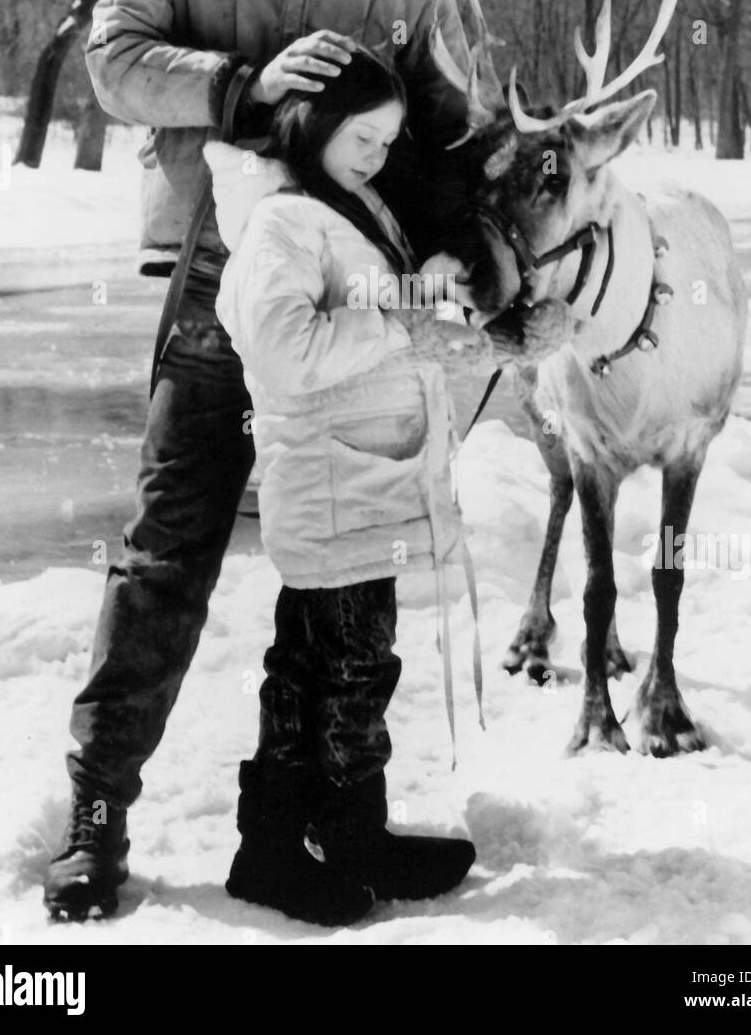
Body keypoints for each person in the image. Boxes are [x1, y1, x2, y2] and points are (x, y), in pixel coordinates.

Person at [44, 0, 484, 921]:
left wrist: (477, 245)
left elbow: (438, 145)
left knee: (346, 561)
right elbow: (116, 59)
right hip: (212, 281)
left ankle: (323, 820)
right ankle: (96, 817)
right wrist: (240, 87)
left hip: (345, 295)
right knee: (167, 549)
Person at [205, 47, 484, 925]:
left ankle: (325, 832)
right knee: (340, 665)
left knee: (333, 665)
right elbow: (285, 353)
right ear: (315, 122)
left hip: (365, 480)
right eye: (362, 135)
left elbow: (380, 319)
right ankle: (301, 841)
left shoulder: (347, 205)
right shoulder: (283, 223)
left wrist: (437, 308)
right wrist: (402, 315)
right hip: (331, 481)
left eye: (388, 139)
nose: (375, 153)